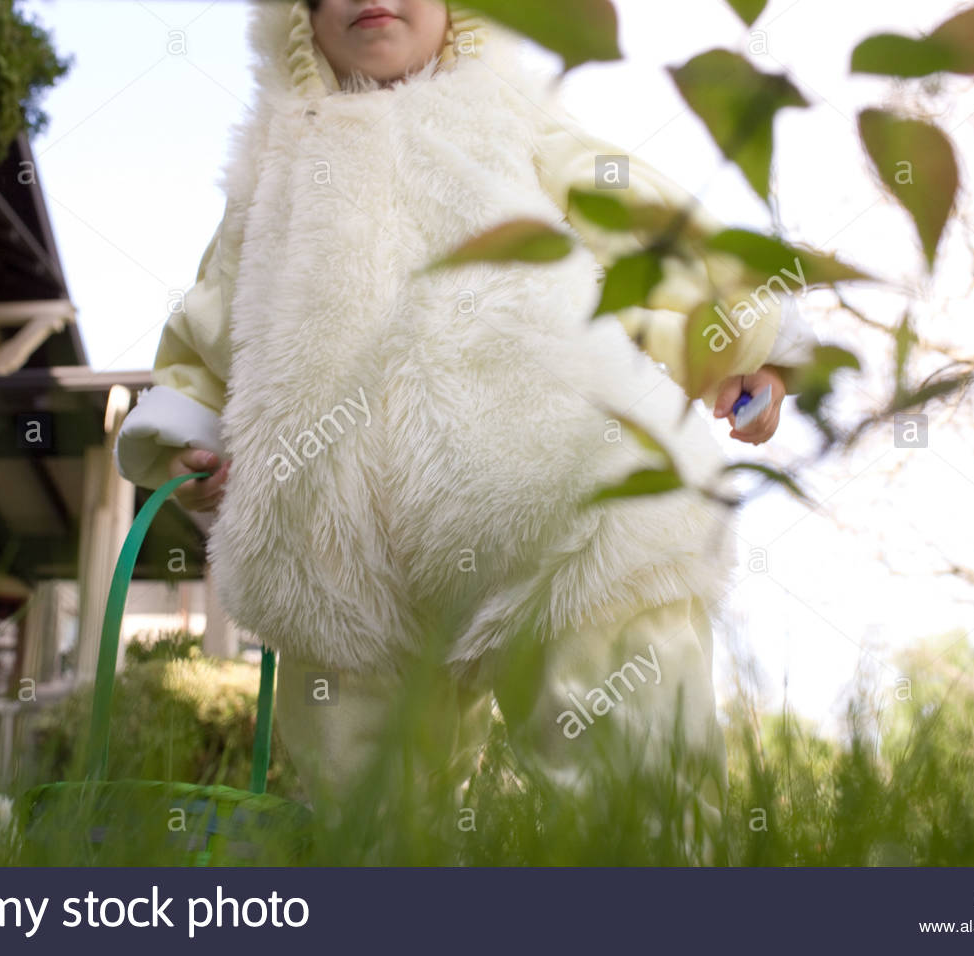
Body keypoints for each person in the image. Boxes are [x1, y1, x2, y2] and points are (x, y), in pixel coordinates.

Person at [114, 0, 819, 851]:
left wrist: (741, 336)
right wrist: (197, 443)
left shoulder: (510, 117)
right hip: (342, 547)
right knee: (371, 817)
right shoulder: (273, 169)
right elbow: (211, 324)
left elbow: (637, 222)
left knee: (632, 772)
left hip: (556, 503)